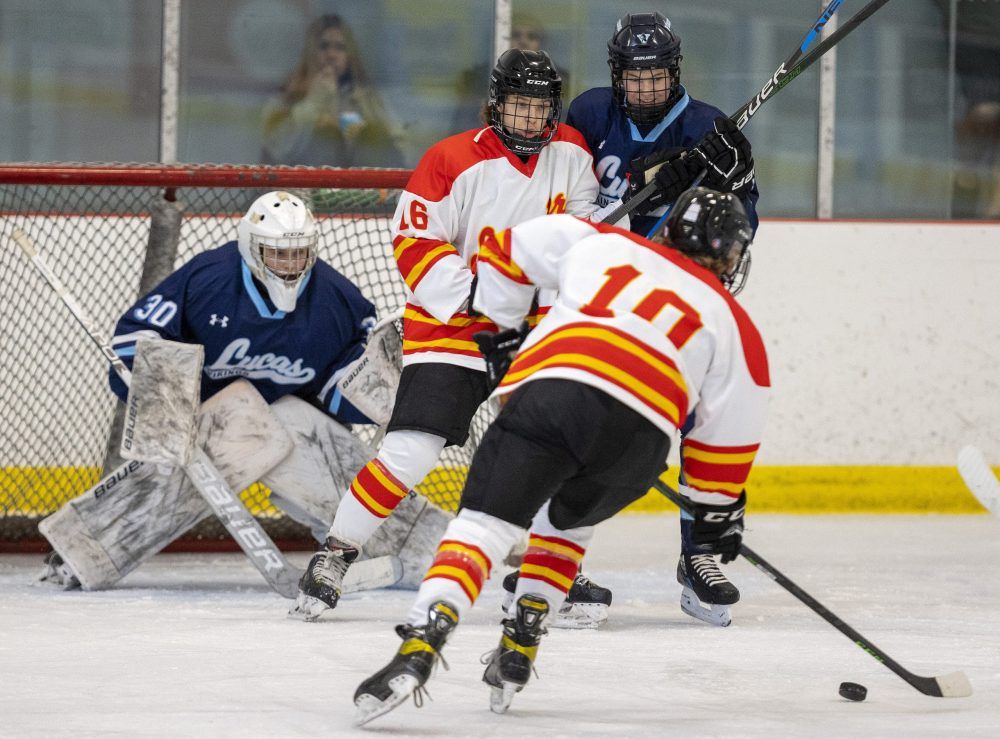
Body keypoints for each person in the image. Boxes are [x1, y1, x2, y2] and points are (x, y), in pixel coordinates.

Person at [352, 188, 770, 724]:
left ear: (666, 228)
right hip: (639, 444)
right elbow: (729, 437)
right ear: (731, 254)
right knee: (566, 523)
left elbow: (501, 249)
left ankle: (421, 641)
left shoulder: (598, 241)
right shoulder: (734, 323)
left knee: (483, 525)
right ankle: (523, 637)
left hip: (554, 395)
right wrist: (710, 514)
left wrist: (503, 329)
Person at [293, 48, 627, 623]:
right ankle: (335, 554)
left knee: (551, 450)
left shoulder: (572, 151)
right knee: (411, 449)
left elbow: (581, 235)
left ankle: (542, 569)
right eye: (519, 107)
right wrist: (476, 299)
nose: (530, 120)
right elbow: (416, 243)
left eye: (540, 108)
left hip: (532, 331)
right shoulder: (448, 159)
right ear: (494, 105)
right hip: (451, 327)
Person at [38, 191, 445, 591]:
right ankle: (83, 550)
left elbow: (340, 383)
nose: (289, 265)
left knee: (292, 426)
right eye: (277, 253)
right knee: (210, 439)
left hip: (289, 419)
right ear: (252, 248)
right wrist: (160, 390)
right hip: (203, 420)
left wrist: (378, 397)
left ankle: (413, 548)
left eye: (298, 253)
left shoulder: (338, 301)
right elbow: (136, 338)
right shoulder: (208, 279)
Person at [564, 11, 761, 625]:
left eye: (656, 77)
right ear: (616, 75)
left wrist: (730, 176)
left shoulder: (708, 127)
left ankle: (699, 555)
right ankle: (557, 565)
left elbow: (739, 228)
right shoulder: (590, 114)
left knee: (702, 424)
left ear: (674, 72)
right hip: (605, 292)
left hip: (677, 300)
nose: (645, 89)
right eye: (634, 77)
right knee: (583, 427)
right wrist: (653, 175)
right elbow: (561, 192)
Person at [261, 14, 405, 167]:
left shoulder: (367, 99)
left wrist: (343, 112)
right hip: (296, 187)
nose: (331, 55)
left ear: (349, 56)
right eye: (324, 46)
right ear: (310, 53)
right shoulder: (286, 97)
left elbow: (392, 148)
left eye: (340, 47)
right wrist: (315, 101)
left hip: (353, 188)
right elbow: (278, 150)